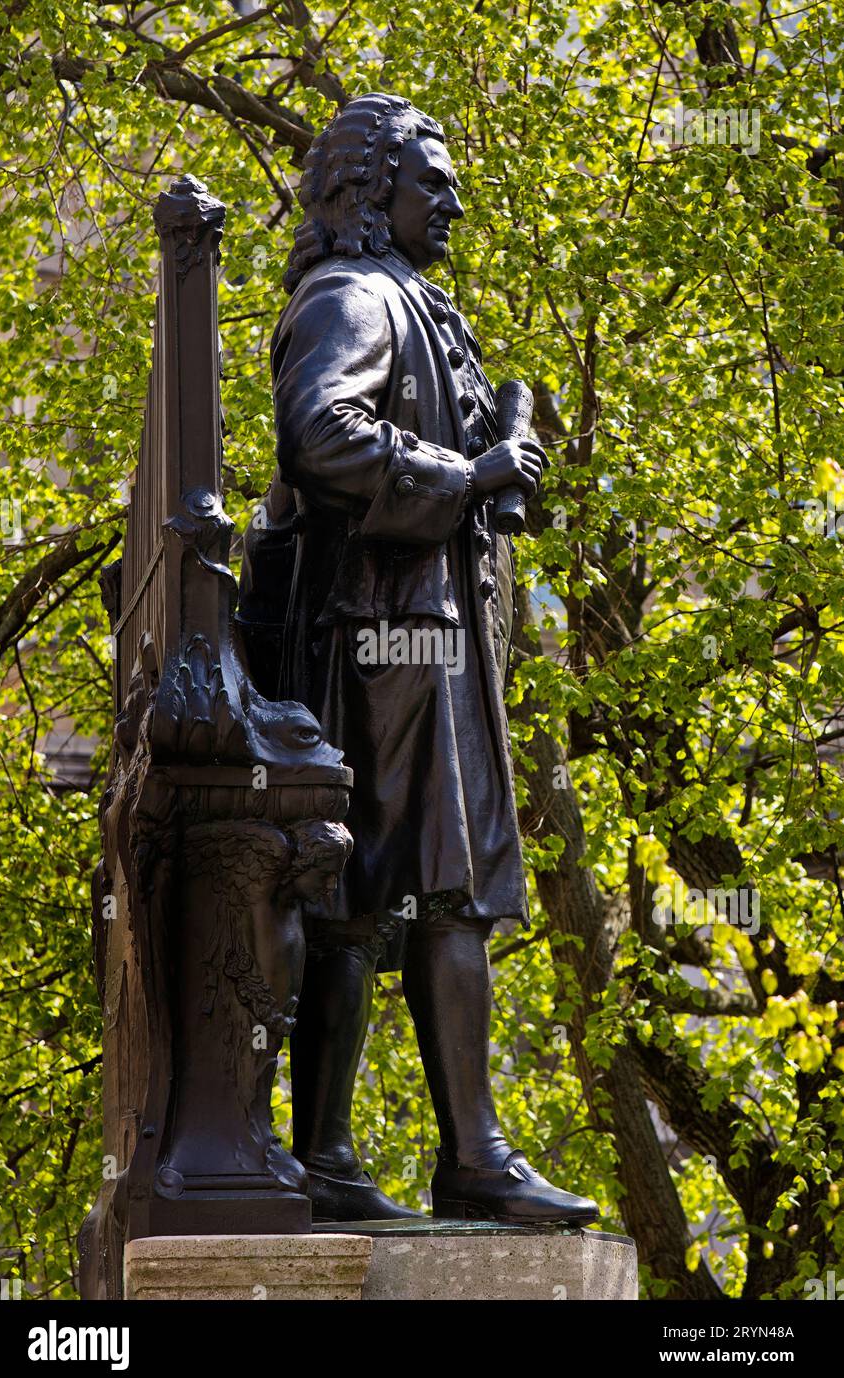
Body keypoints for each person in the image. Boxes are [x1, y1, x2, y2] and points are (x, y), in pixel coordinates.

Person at [240, 93, 598, 1226]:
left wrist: (500, 470)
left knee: (383, 895)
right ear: (365, 190)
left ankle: (345, 1160)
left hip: (425, 634)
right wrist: (473, 475)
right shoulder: (352, 294)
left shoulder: (413, 301)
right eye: (429, 179)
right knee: (435, 887)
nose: (450, 199)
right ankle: (464, 1156)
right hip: (388, 642)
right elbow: (322, 436)